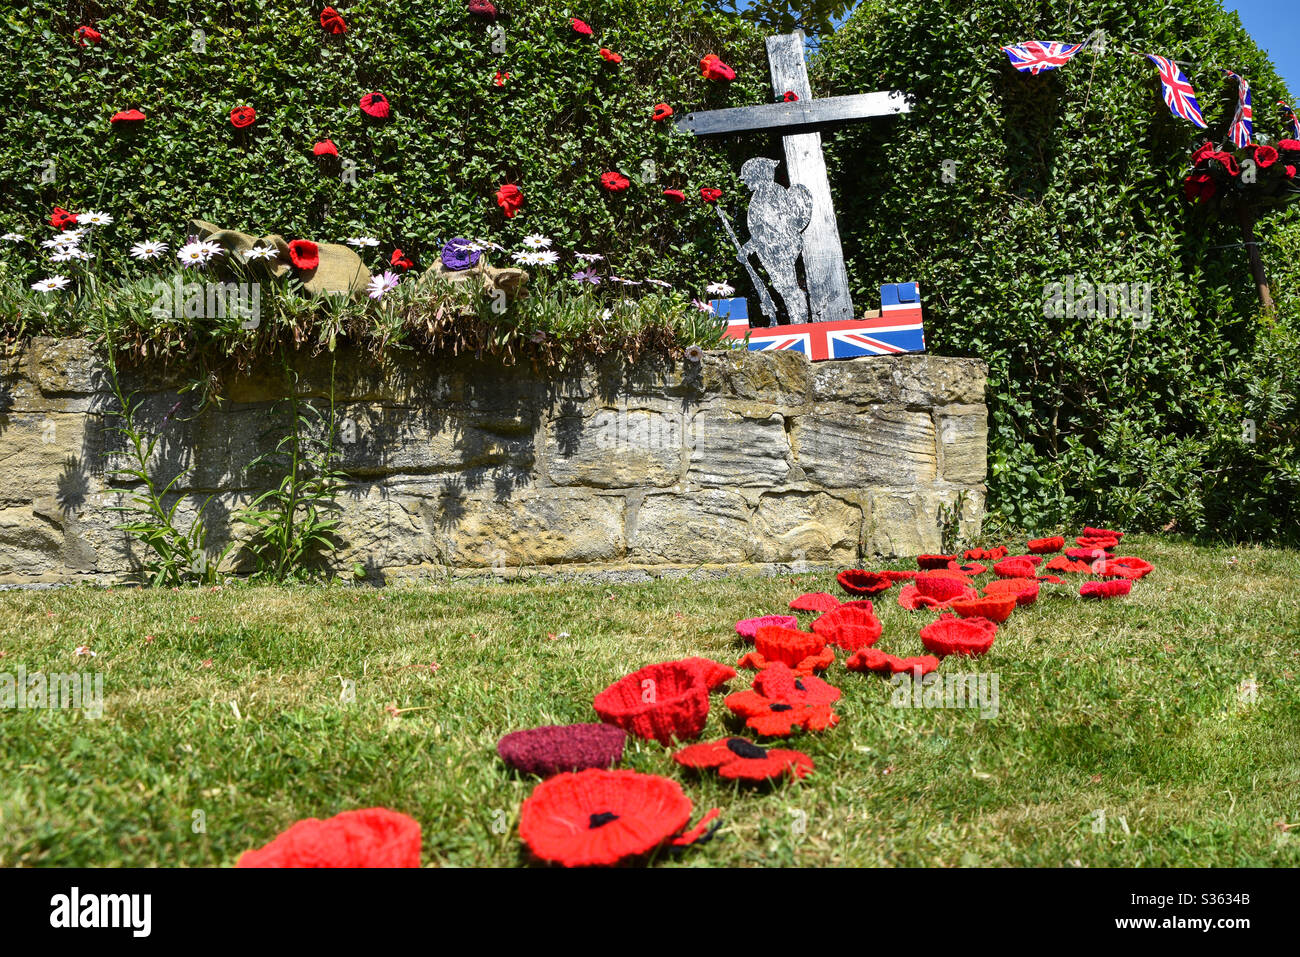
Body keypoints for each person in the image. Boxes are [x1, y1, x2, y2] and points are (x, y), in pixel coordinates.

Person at [736, 157, 813, 324]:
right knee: (783, 287)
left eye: (748, 178)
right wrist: (749, 247)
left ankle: (799, 320)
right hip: (770, 252)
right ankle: (795, 319)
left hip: (780, 250)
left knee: (788, 287)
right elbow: (760, 232)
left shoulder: (771, 194)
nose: (746, 182)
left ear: (757, 176)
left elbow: (772, 229)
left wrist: (750, 246)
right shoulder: (760, 196)